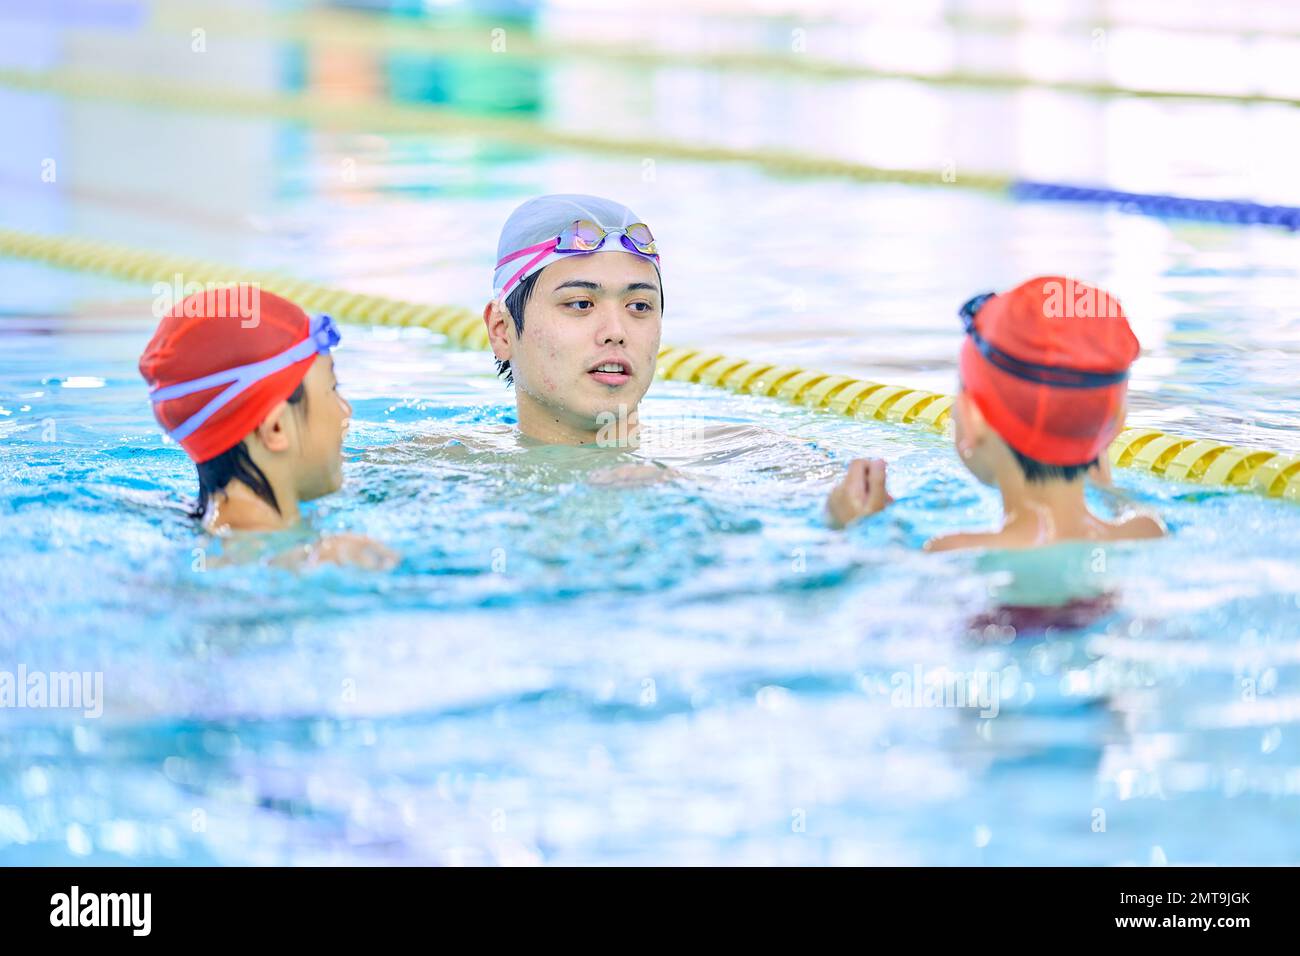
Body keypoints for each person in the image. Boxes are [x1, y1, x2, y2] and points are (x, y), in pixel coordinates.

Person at [826, 276, 1165, 551]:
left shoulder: (951, 550)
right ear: (1117, 424)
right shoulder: (1146, 530)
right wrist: (1107, 489)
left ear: (973, 419)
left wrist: (858, 529)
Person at [138, 285, 396, 568]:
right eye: (333, 389)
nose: (345, 412)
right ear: (275, 429)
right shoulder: (326, 561)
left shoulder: (198, 533)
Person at [482, 194, 663, 448]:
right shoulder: (442, 467)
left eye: (639, 306)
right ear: (501, 331)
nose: (615, 331)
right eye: (580, 304)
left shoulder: (720, 458)